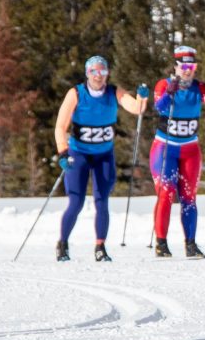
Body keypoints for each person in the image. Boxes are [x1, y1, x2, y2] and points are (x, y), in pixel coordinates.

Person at [53, 55, 150, 262]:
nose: (99, 76)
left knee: (102, 201)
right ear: (87, 73)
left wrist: (142, 97)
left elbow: (137, 108)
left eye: (103, 72)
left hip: (104, 154)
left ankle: (100, 246)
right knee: (76, 202)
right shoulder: (76, 93)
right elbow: (60, 126)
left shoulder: (113, 92)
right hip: (79, 153)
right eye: (94, 72)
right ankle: (63, 243)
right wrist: (63, 151)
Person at [149, 44, 205, 258]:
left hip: (190, 149)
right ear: (175, 66)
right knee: (166, 193)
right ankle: (161, 244)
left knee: (189, 196)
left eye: (191, 66)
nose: (187, 70)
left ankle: (190, 244)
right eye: (183, 66)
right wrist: (169, 94)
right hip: (165, 149)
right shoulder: (163, 84)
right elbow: (160, 107)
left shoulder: (199, 87)